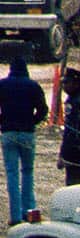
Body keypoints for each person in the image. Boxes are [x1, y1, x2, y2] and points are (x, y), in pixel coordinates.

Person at [0, 54, 47, 225]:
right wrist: (31, 122)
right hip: (27, 133)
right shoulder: (33, 86)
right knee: (27, 172)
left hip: (8, 133)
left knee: (12, 174)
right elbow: (43, 110)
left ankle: (15, 216)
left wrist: (3, 121)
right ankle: (29, 212)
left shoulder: (3, 85)